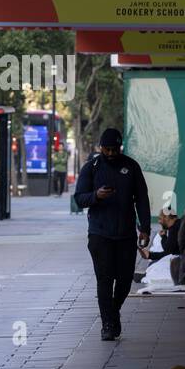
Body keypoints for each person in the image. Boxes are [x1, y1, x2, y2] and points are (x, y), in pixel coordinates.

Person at [73, 127, 149, 341]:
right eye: (107, 149)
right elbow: (79, 199)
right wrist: (96, 196)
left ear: (120, 147)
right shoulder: (92, 168)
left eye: (115, 149)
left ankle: (112, 313)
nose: (111, 153)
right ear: (100, 148)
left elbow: (142, 198)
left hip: (126, 234)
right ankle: (108, 324)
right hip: (100, 234)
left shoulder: (131, 167)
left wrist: (145, 227)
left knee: (124, 280)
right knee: (105, 280)